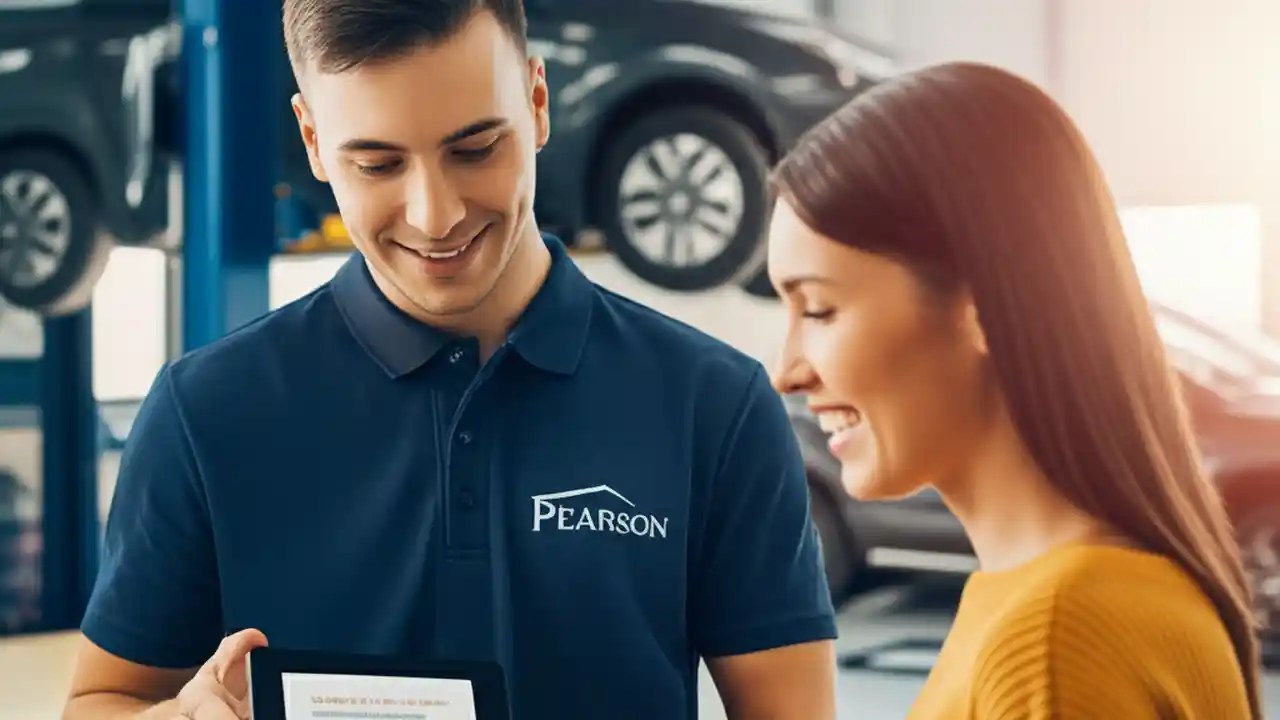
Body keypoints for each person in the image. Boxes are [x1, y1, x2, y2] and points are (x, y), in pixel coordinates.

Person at [63, 1, 838, 718]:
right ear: (312, 142)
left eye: (475, 148)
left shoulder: (714, 407)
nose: (436, 214)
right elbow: (102, 699)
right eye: (377, 164)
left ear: (537, 102)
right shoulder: (206, 412)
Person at [766, 61, 1260, 719]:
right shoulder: (1089, 595)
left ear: (981, 309)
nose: (787, 371)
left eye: (820, 310)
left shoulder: (1058, 633)